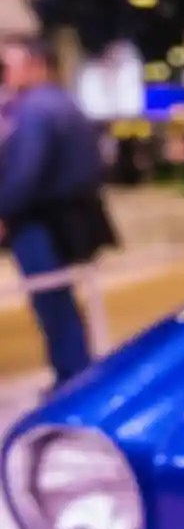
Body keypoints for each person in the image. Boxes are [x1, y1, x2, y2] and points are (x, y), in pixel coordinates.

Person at [0, 37, 116, 389]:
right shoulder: (63, 102)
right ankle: (75, 374)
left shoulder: (34, 110)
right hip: (66, 219)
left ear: (34, 65)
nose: (5, 75)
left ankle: (72, 379)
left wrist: (3, 211)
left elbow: (25, 173)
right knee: (60, 302)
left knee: (52, 303)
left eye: (8, 66)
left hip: (40, 223)